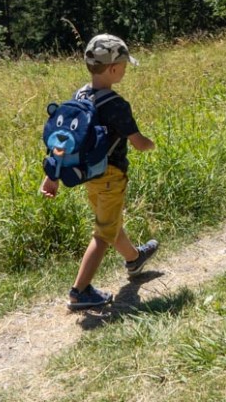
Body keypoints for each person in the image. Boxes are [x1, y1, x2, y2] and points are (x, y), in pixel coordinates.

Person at [40, 33, 159, 310]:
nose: (125, 70)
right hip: (112, 175)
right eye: (124, 65)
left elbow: (64, 141)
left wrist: (52, 176)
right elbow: (138, 142)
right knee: (103, 234)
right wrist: (151, 144)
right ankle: (79, 291)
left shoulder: (79, 95)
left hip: (89, 175)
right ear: (114, 69)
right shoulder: (117, 105)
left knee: (109, 221)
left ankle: (134, 258)